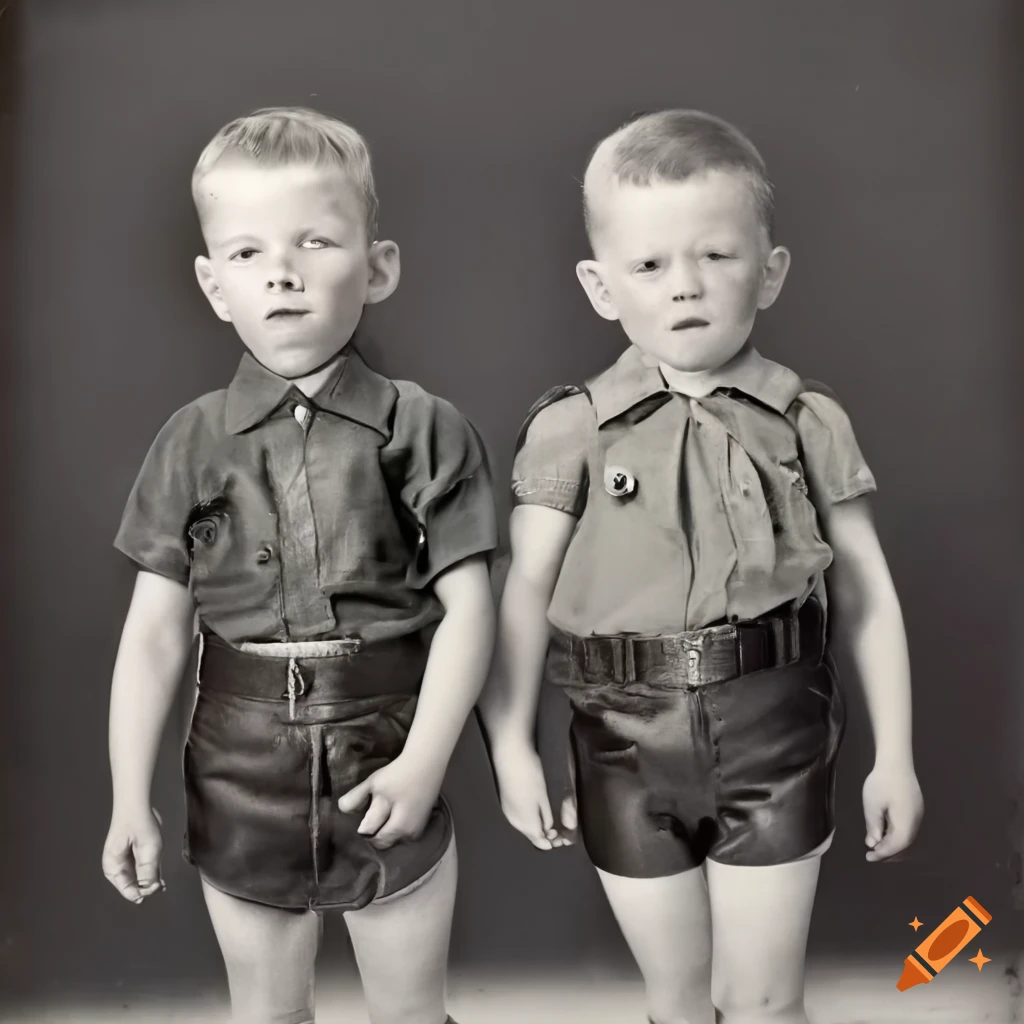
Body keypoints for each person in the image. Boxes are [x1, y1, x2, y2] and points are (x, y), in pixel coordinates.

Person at [479, 109, 923, 1024]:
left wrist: (896, 757)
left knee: (763, 1001)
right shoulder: (571, 427)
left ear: (770, 270)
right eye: (649, 265)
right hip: (622, 738)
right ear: (601, 287)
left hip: (775, 726)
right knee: (676, 1001)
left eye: (716, 255)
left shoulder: (806, 419)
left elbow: (867, 591)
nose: (685, 285)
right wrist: (511, 744)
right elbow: (521, 591)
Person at [101, 106, 497, 1024]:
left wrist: (425, 762)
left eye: (315, 241)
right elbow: (155, 635)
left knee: (409, 1012)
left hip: (383, 744)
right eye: (247, 253)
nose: (282, 272)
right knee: (267, 1013)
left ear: (378, 267)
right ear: (213, 284)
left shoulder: (422, 426)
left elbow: (471, 609)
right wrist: (128, 798)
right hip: (236, 759)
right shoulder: (190, 440)